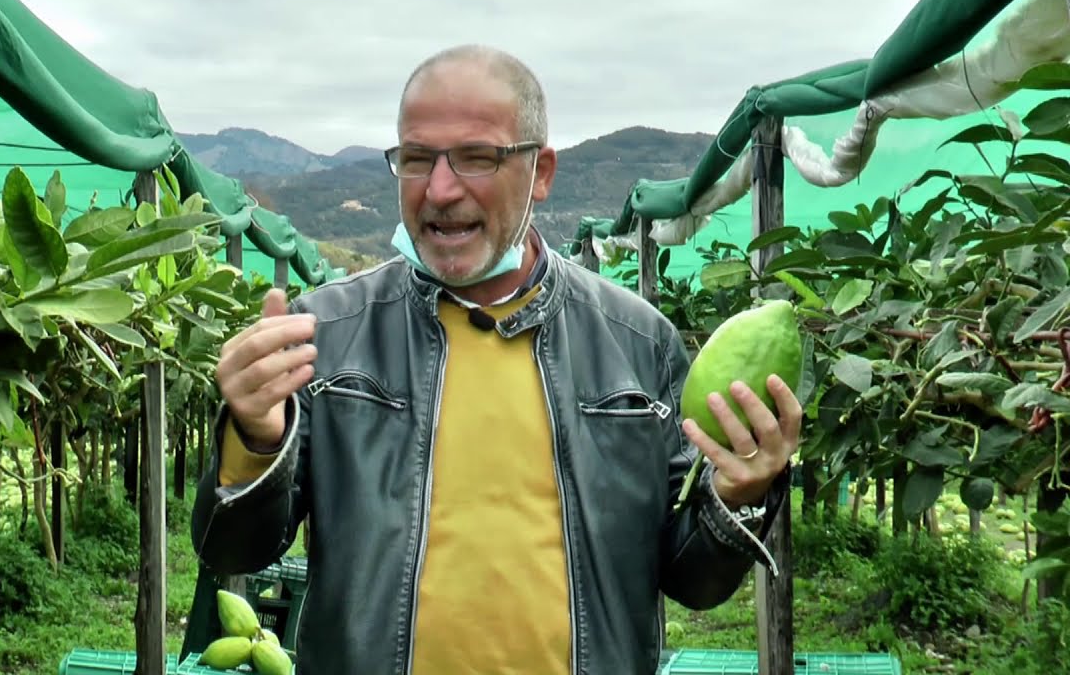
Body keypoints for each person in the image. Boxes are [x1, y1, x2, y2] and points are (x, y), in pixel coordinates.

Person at [192, 44, 800, 675]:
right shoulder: (328, 334)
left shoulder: (637, 343)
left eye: (477, 157)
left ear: (540, 172)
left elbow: (692, 581)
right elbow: (232, 550)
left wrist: (739, 493)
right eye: (417, 159)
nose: (440, 188)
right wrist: (257, 438)